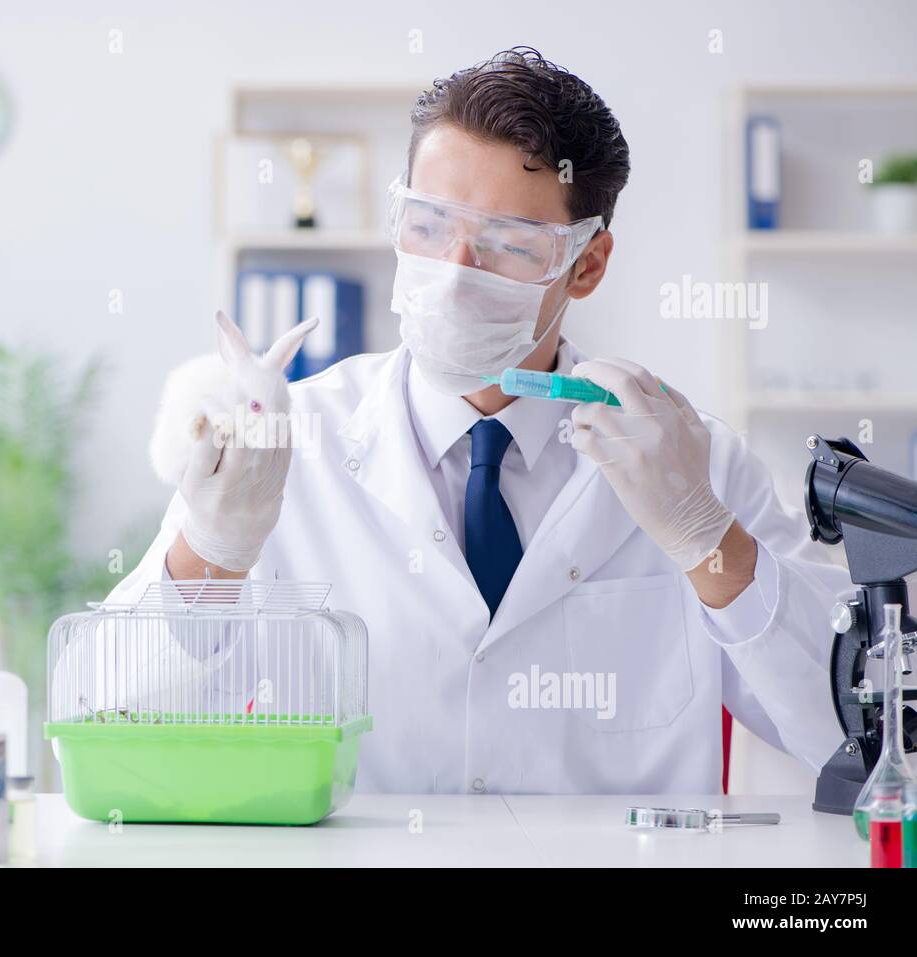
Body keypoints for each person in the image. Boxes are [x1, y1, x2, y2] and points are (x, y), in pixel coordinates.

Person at [108, 47, 848, 794]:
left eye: (509, 244)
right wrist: (212, 549)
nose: (455, 270)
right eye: (428, 226)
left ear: (587, 264)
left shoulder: (695, 463)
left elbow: (851, 735)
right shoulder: (289, 443)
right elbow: (116, 717)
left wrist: (705, 535)